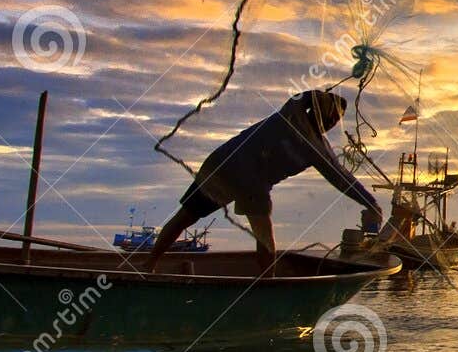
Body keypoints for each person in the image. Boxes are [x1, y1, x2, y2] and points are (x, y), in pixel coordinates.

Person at [148, 90, 381, 271]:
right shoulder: (293, 114)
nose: (331, 123)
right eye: (330, 115)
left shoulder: (315, 144)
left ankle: (264, 282)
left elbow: (342, 179)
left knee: (261, 237)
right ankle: (149, 265)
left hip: (244, 179)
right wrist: (317, 96)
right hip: (227, 166)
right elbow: (302, 98)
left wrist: (370, 202)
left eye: (335, 120)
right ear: (318, 109)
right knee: (186, 218)